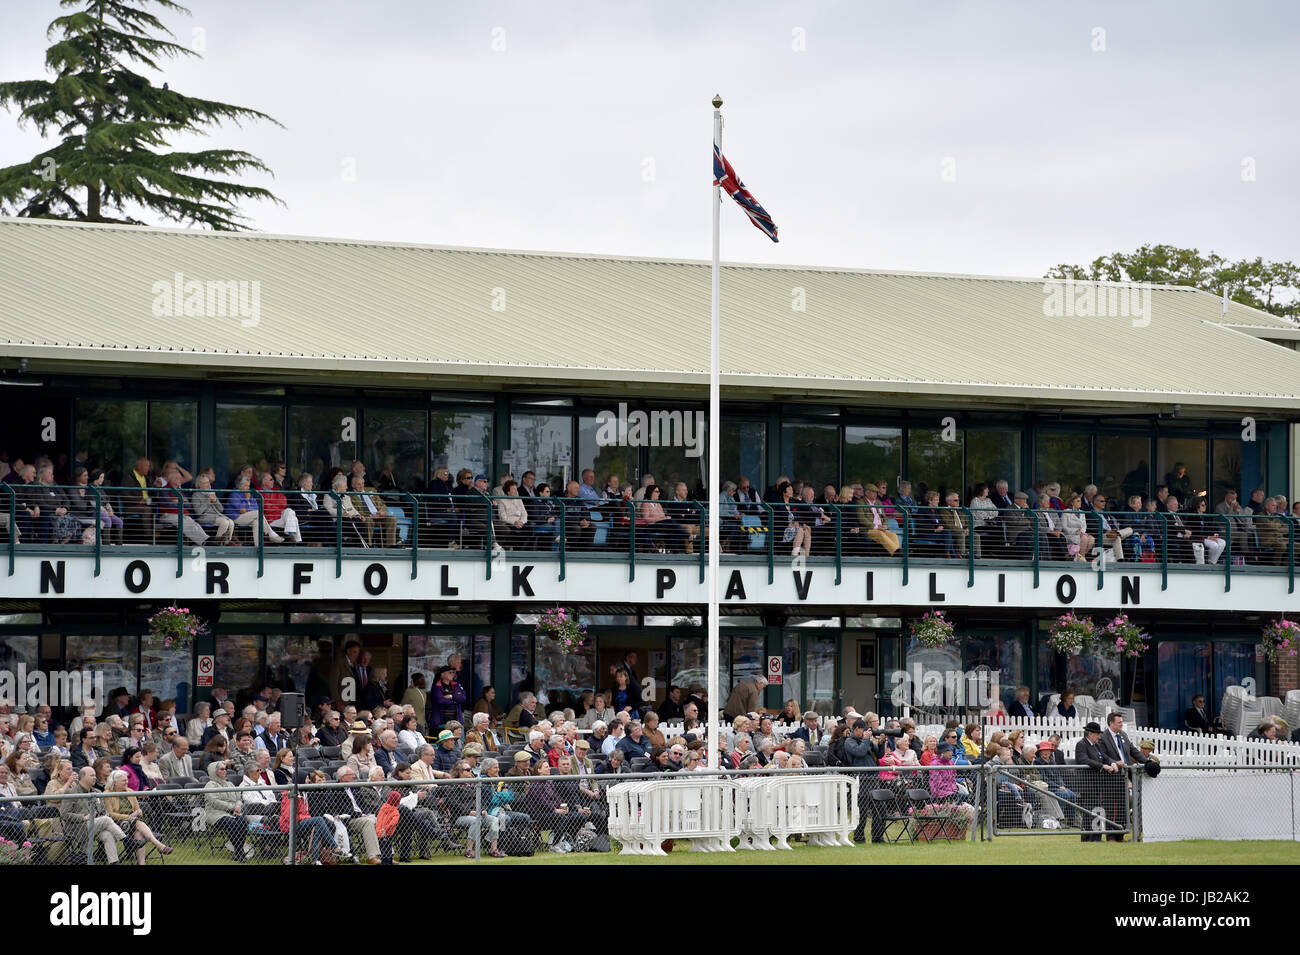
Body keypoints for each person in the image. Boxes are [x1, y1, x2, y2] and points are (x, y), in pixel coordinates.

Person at [103, 769, 172, 863]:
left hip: (132, 823)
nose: (126, 782)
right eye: (124, 780)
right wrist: (129, 817)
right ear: (115, 782)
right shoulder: (107, 794)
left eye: (127, 780)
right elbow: (110, 814)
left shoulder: (130, 791)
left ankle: (142, 863)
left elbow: (137, 809)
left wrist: (138, 812)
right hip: (116, 824)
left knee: (139, 834)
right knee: (138, 824)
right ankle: (159, 845)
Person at [1074, 721, 1123, 842]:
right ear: (1090, 734)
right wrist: (1102, 766)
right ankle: (1088, 837)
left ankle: (1095, 837)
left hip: (1096, 783)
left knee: (1096, 810)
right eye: (1097, 734)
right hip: (1086, 783)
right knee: (1089, 810)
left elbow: (1105, 757)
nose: (1099, 737)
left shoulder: (1096, 745)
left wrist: (1113, 763)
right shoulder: (1081, 744)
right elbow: (1084, 759)